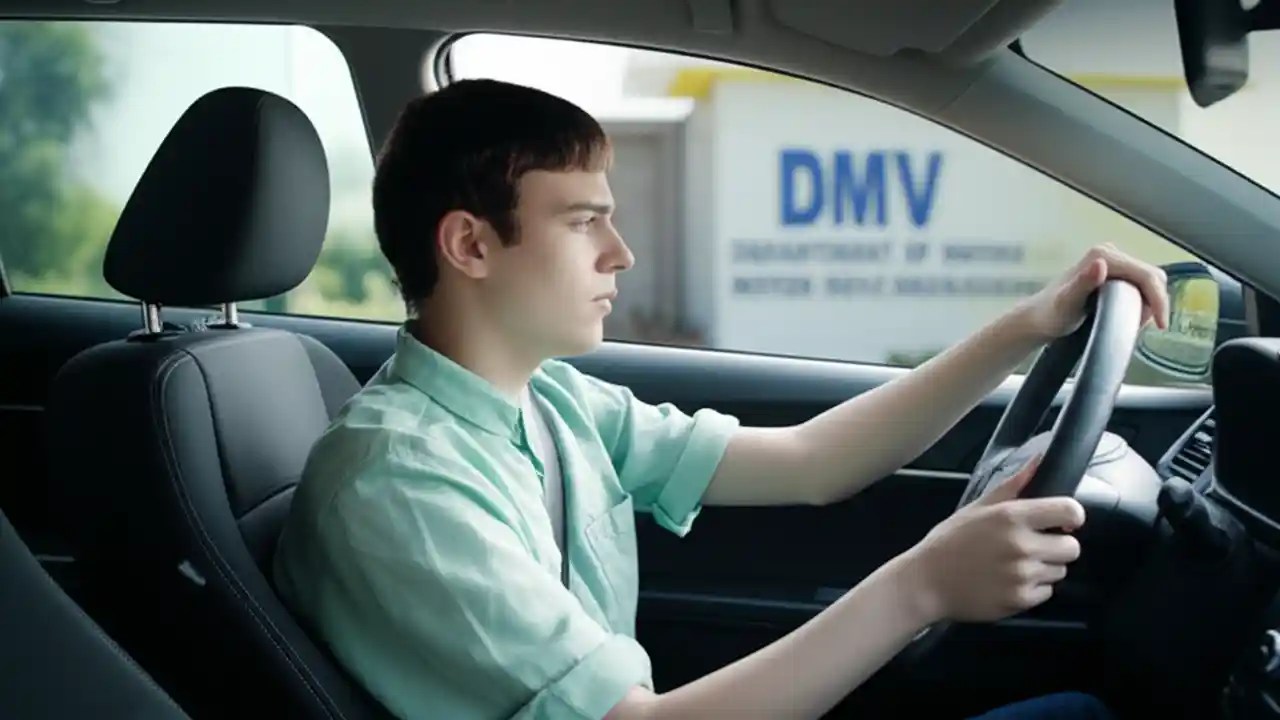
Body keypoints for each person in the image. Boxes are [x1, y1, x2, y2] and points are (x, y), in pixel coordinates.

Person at [272, 78, 1168, 720]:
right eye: (584, 221)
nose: (620, 253)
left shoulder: (550, 402)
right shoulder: (399, 485)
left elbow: (815, 461)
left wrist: (1026, 327)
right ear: (470, 245)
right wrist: (924, 585)